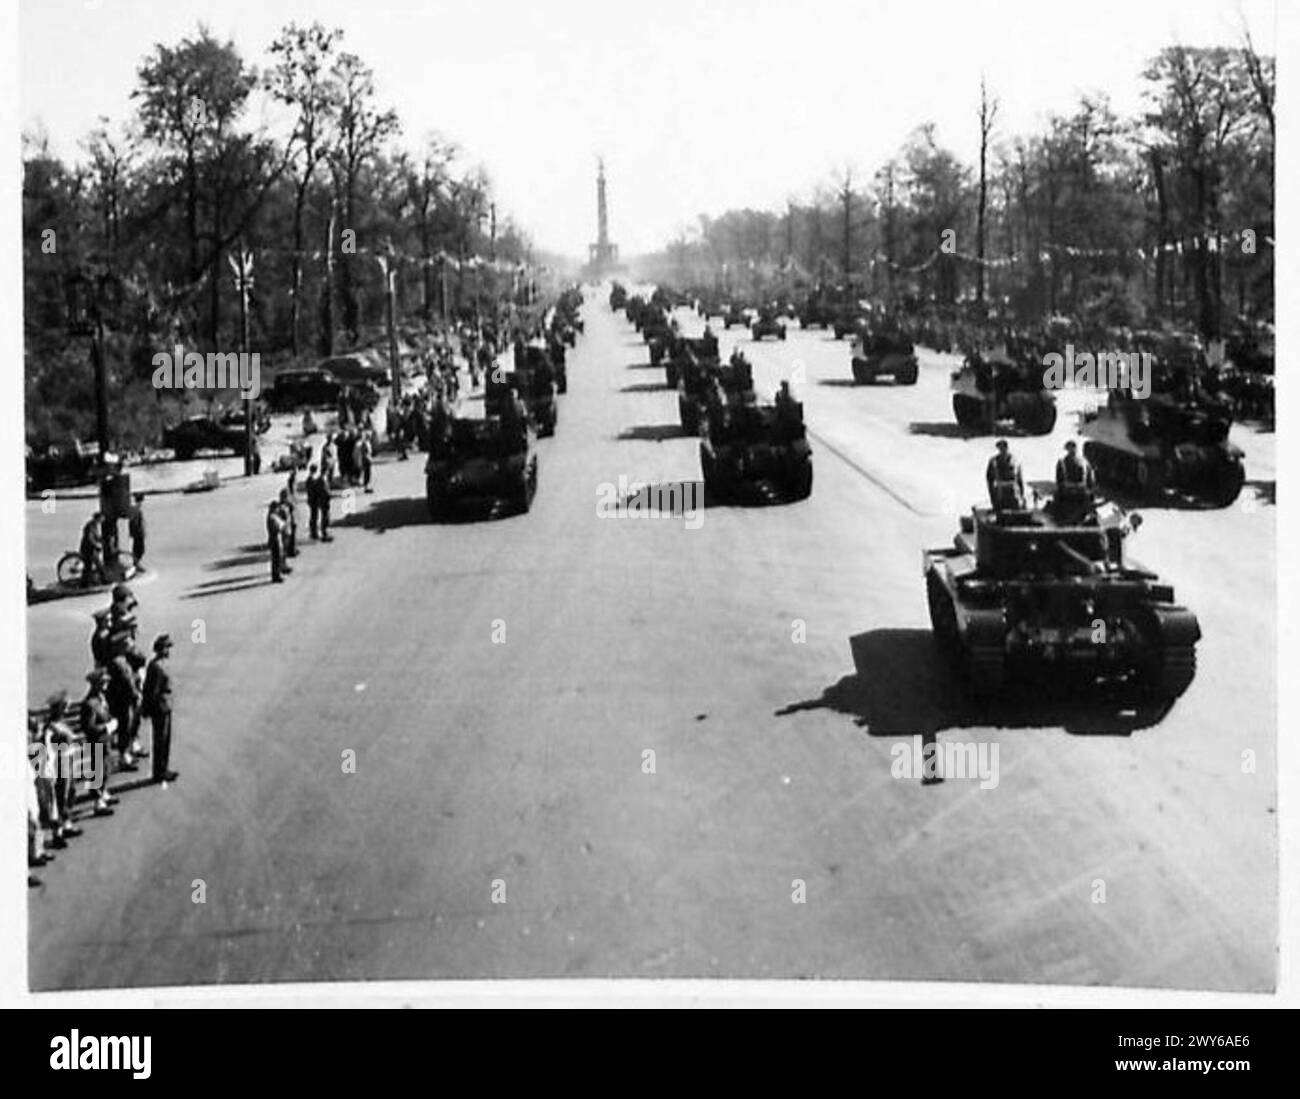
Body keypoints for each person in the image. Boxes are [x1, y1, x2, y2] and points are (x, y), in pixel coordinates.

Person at [78, 669, 118, 816]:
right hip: (96, 742)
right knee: (97, 772)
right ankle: (98, 802)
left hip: (104, 740)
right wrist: (107, 727)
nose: (106, 684)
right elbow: (88, 727)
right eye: (103, 682)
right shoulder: (89, 704)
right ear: (96, 685)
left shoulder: (101, 698)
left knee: (106, 769)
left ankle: (104, 793)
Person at [141, 634, 178, 784]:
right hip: (160, 708)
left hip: (165, 706)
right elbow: (151, 691)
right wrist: (148, 709)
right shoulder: (156, 666)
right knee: (160, 741)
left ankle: (163, 769)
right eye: (167, 648)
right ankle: (159, 772)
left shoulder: (161, 664)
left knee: (165, 740)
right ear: (162, 649)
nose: (169, 651)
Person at [1054, 440, 1097, 523]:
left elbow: (1090, 480)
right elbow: (1059, 480)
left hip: (1072, 493)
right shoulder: (1063, 462)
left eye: (1072, 448)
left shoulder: (1083, 462)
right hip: (1074, 493)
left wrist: (1089, 491)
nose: (1072, 450)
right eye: (1070, 449)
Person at [985, 438, 1026, 510]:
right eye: (1000, 449)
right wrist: (992, 495)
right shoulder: (993, 462)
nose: (1002, 451)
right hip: (1000, 494)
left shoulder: (1015, 461)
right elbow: (989, 480)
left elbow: (1019, 480)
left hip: (1013, 494)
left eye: (1004, 448)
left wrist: (1022, 495)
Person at [306, 463, 332, 542]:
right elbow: (323, 491)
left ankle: (315, 533)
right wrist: (329, 495)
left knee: (315, 516)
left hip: (315, 500)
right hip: (319, 500)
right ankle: (322, 533)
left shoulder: (314, 479)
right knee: (322, 517)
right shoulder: (320, 479)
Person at [80, 511, 105, 587]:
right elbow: (89, 538)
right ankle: (101, 581)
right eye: (102, 519)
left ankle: (86, 582)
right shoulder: (90, 526)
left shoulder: (94, 525)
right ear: (98, 518)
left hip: (91, 549)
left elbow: (96, 536)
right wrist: (97, 545)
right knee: (96, 565)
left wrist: (102, 540)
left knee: (89, 566)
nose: (103, 520)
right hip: (88, 549)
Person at [266, 499, 289, 582]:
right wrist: (282, 526)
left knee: (277, 557)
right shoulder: (272, 517)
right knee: (276, 558)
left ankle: (277, 574)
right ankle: (276, 575)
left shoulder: (273, 516)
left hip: (275, 539)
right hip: (275, 539)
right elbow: (276, 527)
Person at [279, 488, 299, 558]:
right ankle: (291, 551)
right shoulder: (284, 505)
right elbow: (292, 509)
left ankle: (292, 550)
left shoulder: (285, 504)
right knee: (290, 539)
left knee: (292, 537)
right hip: (289, 523)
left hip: (291, 522)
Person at [128, 494, 146, 565]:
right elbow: (134, 522)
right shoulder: (136, 510)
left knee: (138, 548)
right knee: (139, 549)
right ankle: (136, 562)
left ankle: (136, 562)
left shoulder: (136, 509)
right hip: (138, 533)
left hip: (138, 532)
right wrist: (138, 531)